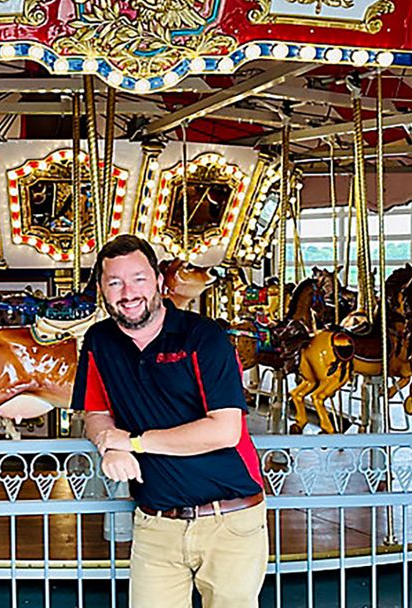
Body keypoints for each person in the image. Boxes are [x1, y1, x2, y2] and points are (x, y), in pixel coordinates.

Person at [72, 234, 267, 607]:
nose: (128, 292)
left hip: (229, 517)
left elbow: (225, 430)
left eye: (138, 279)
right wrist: (106, 443)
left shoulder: (204, 338)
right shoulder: (99, 340)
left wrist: (130, 442)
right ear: (101, 289)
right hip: (155, 521)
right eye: (115, 282)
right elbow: (95, 412)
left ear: (159, 281)